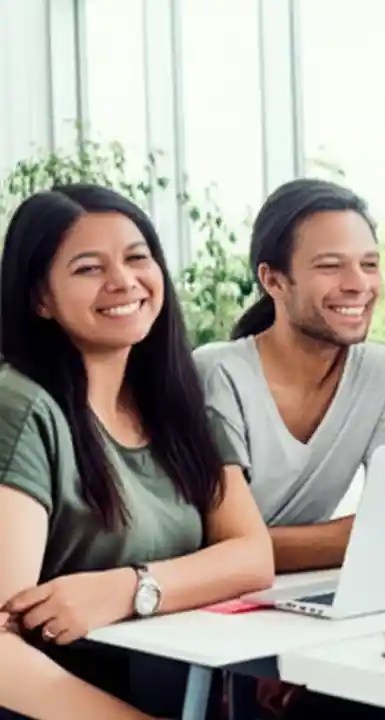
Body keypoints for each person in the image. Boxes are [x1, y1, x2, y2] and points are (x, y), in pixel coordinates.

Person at [0, 185, 274, 719]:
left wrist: (131, 589)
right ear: (39, 297)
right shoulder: (21, 406)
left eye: (136, 258)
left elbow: (252, 555)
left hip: (171, 689)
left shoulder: (179, 403)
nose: (123, 281)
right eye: (87, 268)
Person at [195, 178, 385, 573]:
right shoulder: (219, 373)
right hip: (210, 601)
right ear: (273, 281)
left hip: (299, 589)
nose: (358, 284)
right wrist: (366, 535)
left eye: (369, 264)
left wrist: (380, 533)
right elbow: (222, 544)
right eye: (330, 266)